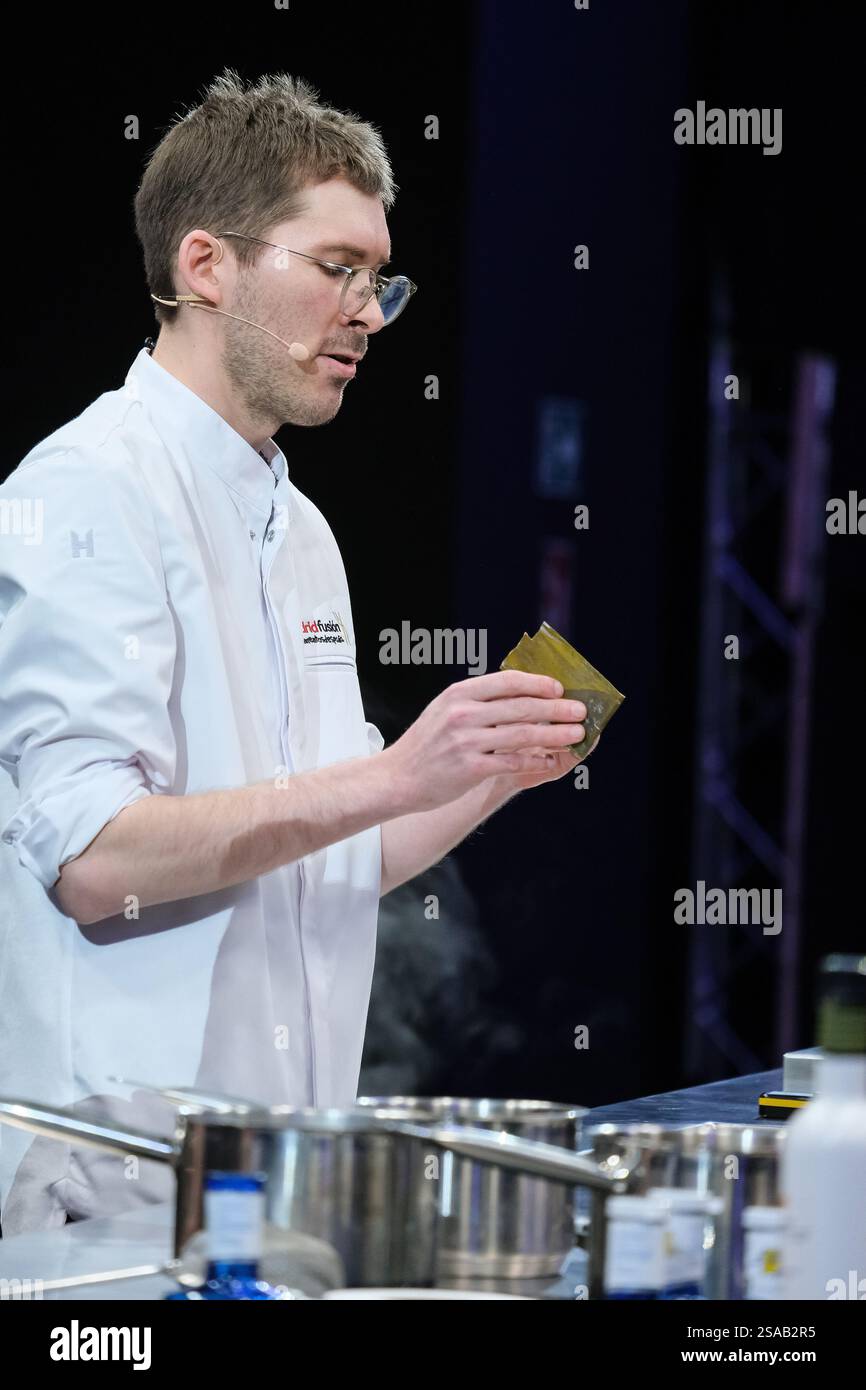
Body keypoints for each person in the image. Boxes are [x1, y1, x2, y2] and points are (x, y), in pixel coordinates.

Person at [0, 69, 591, 1234]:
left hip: (271, 1188)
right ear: (206, 265)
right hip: (111, 1207)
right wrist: (392, 772)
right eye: (336, 272)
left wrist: (478, 773)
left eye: (380, 280)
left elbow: (326, 858)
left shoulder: (300, 527)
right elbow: (94, 861)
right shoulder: (86, 493)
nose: (369, 312)